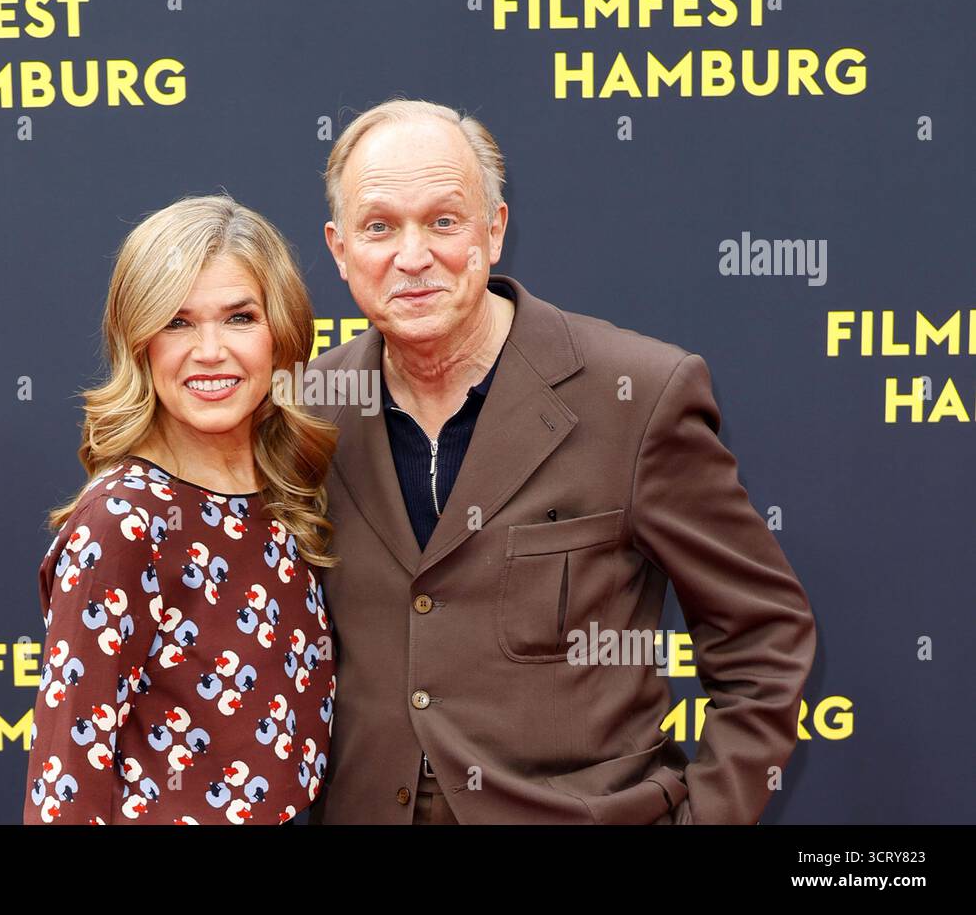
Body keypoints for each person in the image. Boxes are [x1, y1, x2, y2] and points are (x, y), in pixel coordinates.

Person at [304, 98, 817, 825]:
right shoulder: (306, 416)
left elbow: (763, 635)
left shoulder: (635, 394)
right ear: (340, 248)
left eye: (444, 221)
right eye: (379, 226)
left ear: (494, 229)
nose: (412, 256)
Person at [23, 194, 339, 825]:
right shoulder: (123, 520)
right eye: (177, 322)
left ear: (282, 332)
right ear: (139, 343)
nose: (211, 351)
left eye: (240, 317)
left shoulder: (286, 486)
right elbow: (65, 774)